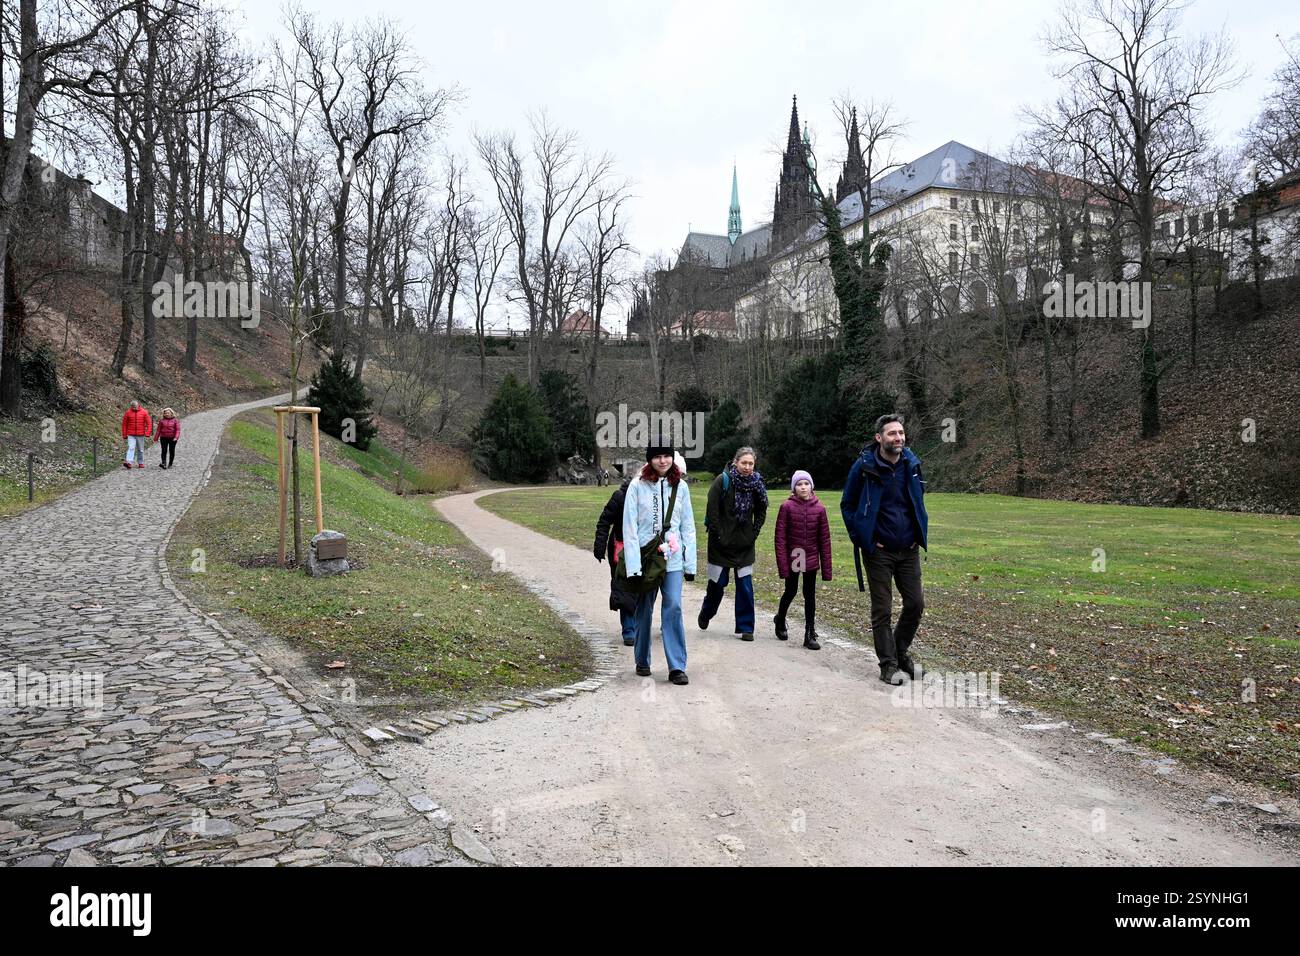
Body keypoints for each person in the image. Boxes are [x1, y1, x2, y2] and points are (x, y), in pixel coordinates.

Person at [841, 414, 929, 685]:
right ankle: (888, 665)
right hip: (879, 551)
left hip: (908, 548)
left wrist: (916, 533)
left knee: (915, 604)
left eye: (901, 433)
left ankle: (900, 653)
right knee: (883, 609)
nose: (898, 438)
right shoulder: (864, 467)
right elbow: (848, 505)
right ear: (879, 438)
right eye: (892, 433)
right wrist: (864, 539)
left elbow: (916, 499)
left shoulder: (911, 464)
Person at [622, 439, 696, 685]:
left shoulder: (681, 487)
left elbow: (688, 526)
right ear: (650, 459)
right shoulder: (636, 486)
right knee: (644, 609)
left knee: (673, 606)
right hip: (645, 558)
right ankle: (642, 659)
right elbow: (629, 528)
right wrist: (633, 566)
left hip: (673, 557)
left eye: (667, 456)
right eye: (657, 456)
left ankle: (676, 666)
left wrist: (690, 563)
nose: (663, 461)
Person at [698, 446, 767, 641]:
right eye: (743, 463)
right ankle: (706, 612)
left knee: (745, 585)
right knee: (717, 585)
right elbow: (712, 511)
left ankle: (746, 627)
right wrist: (719, 535)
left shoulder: (757, 484)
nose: (747, 467)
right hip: (720, 544)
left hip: (745, 545)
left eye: (750, 463)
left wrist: (754, 532)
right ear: (736, 462)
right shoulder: (723, 481)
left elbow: (762, 510)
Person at [773, 469, 832, 650]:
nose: (803, 487)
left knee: (809, 595)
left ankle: (809, 633)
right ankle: (780, 619)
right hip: (794, 556)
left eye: (806, 483)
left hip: (811, 557)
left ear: (811, 486)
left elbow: (825, 540)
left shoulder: (820, 509)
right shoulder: (787, 507)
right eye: (799, 484)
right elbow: (780, 538)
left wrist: (827, 569)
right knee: (790, 591)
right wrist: (783, 565)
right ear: (794, 488)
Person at [594, 473, 638, 646]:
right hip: (620, 549)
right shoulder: (620, 496)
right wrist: (600, 545)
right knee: (623, 586)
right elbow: (604, 522)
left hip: (645, 549)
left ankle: (638, 624)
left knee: (642, 588)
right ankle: (629, 629)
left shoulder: (650, 497)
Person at [121, 400, 153, 470]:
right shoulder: (128, 413)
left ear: (138, 405)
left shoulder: (144, 412)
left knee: (140, 449)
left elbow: (149, 423)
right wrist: (124, 434)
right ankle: (129, 462)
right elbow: (124, 424)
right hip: (131, 434)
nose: (134, 408)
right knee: (131, 447)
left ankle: (140, 462)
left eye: (135, 406)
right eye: (132, 407)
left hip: (140, 434)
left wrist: (148, 432)